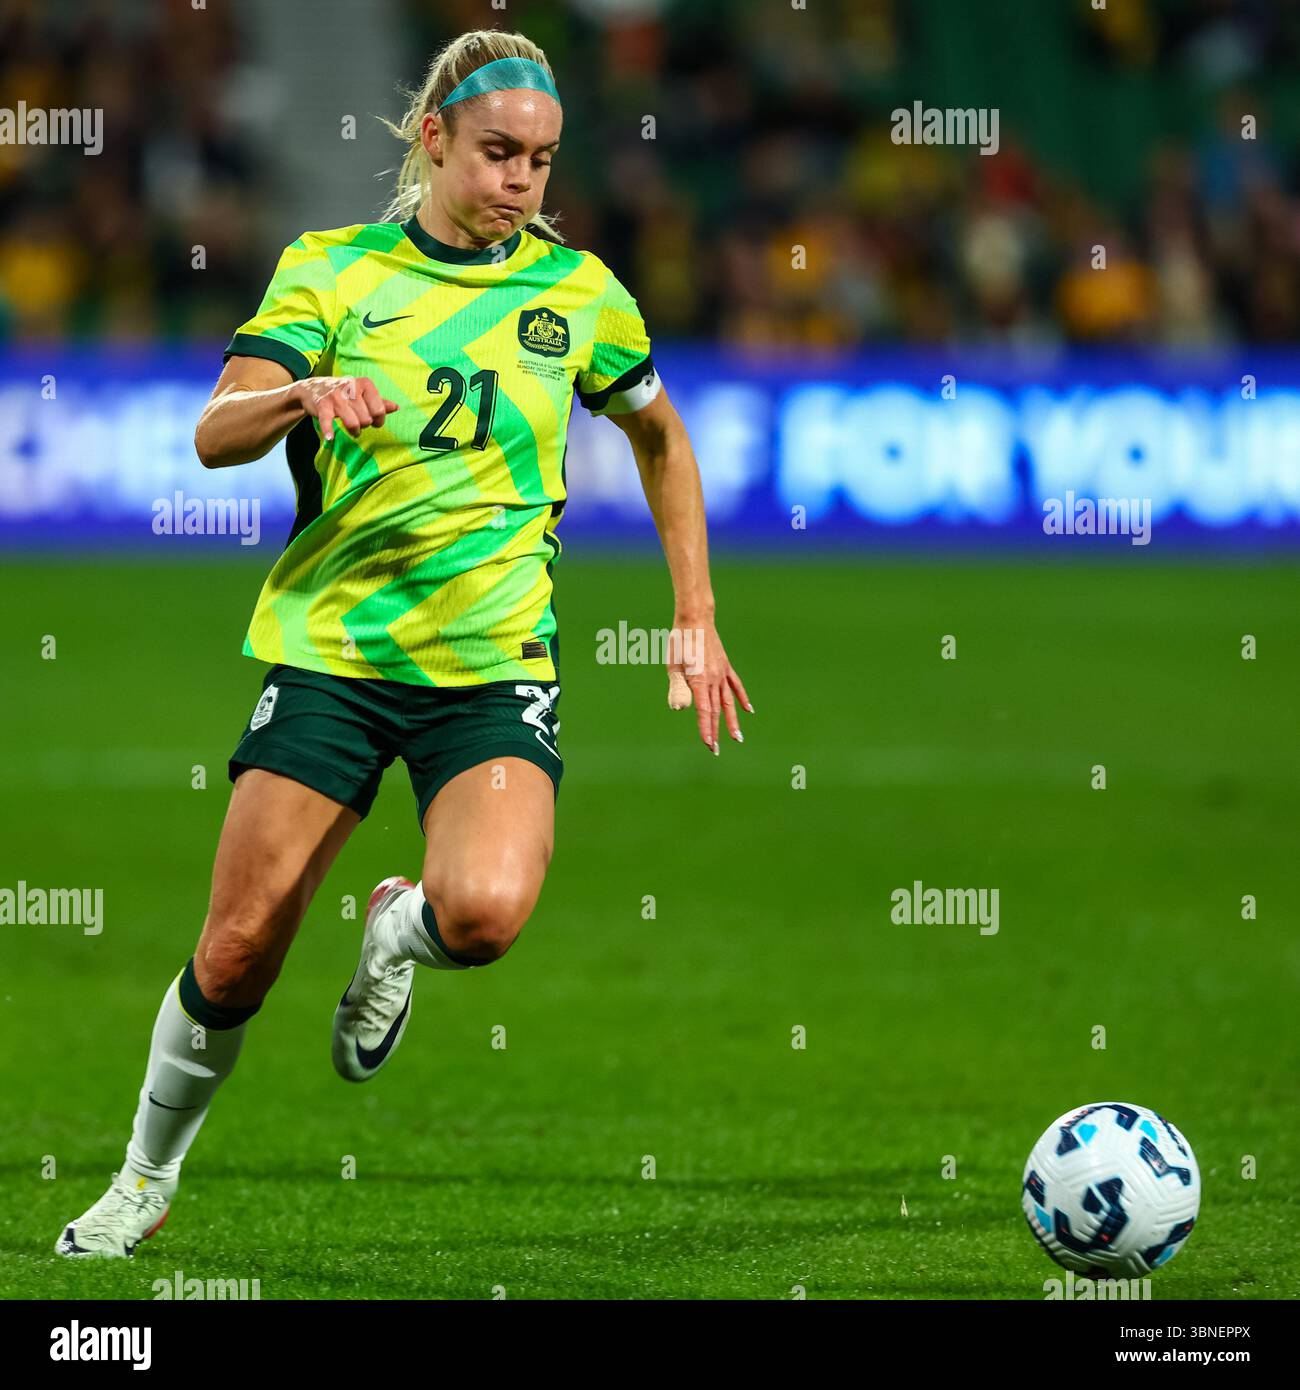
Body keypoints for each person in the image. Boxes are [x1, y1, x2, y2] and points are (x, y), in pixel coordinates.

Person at [56, 27, 750, 1258]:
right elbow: (215, 433)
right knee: (237, 949)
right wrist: (300, 393)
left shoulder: (580, 294)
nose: (519, 181)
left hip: (490, 667)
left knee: (482, 915)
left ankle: (397, 929)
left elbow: (660, 434)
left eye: (540, 159)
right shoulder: (332, 270)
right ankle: (143, 1179)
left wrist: (692, 613)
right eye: (496, 152)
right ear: (433, 138)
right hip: (334, 656)